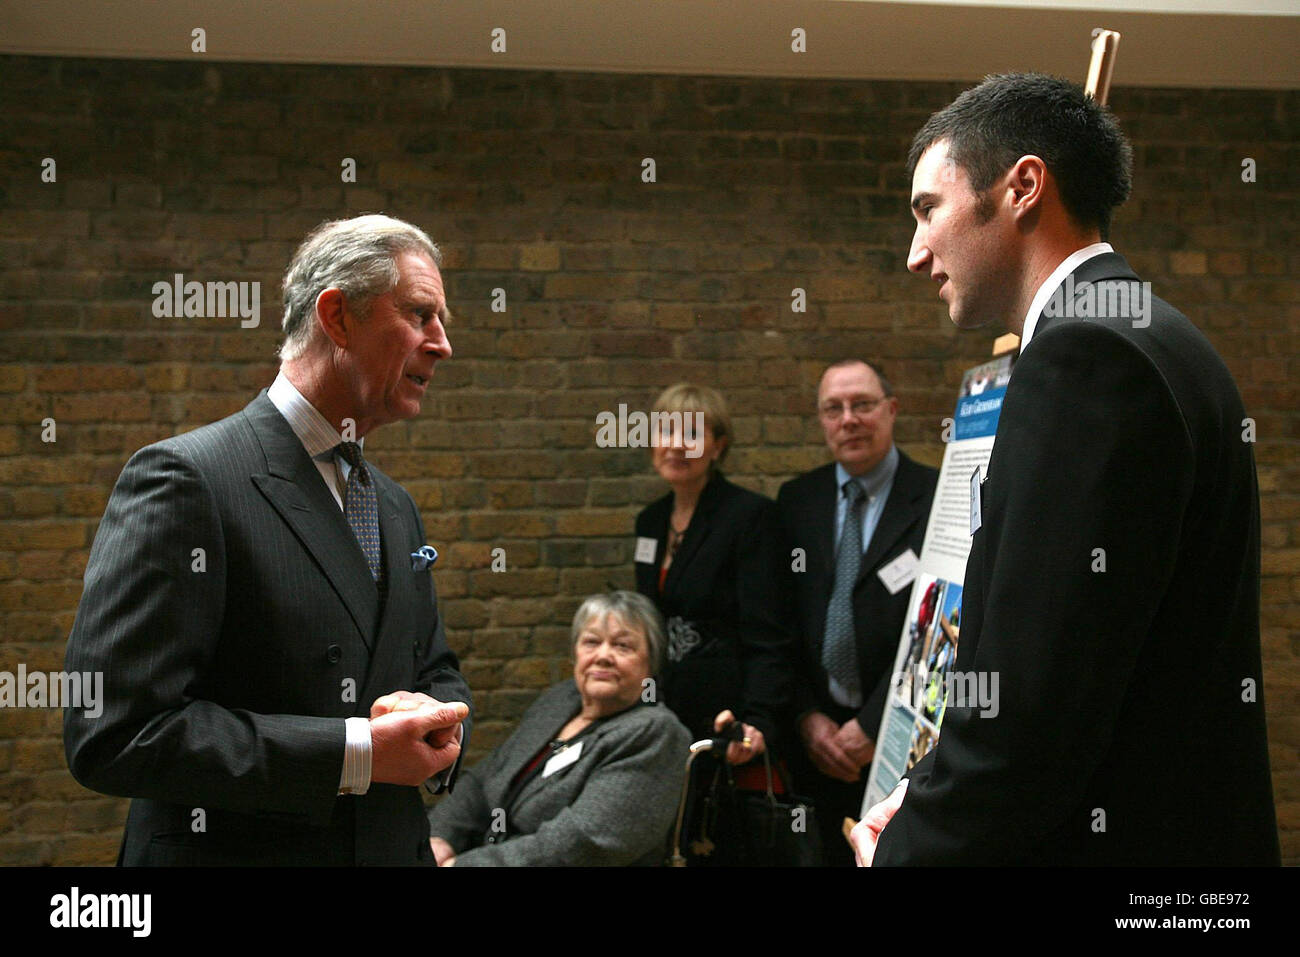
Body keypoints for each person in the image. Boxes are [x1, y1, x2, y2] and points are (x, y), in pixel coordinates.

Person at [854, 72, 1279, 865]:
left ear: (1021, 187)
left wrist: (906, 849)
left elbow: (1033, 712)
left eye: (927, 209)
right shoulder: (1146, 328)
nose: (915, 254)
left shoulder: (1087, 354)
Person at [63, 214, 473, 866]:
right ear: (337, 318)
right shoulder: (186, 480)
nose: (443, 343)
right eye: (421, 314)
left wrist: (440, 718)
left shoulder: (395, 508)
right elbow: (115, 732)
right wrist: (357, 752)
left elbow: (438, 670)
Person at [776, 360, 938, 865]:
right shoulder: (796, 501)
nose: (848, 419)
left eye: (862, 405)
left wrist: (873, 727)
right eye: (834, 409)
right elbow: (780, 624)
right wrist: (806, 718)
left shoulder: (937, 498)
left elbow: (940, 624)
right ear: (822, 421)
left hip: (902, 743)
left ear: (891, 410)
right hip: (815, 746)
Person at [633, 383, 796, 864]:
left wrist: (758, 717)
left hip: (726, 718)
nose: (677, 444)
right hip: (664, 715)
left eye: (693, 432)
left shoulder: (750, 518)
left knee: (717, 846)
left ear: (718, 445)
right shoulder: (650, 520)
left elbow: (772, 633)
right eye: (665, 431)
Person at [426, 591, 690, 866]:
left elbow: (585, 842)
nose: (603, 656)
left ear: (652, 662)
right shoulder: (560, 701)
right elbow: (482, 780)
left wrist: (467, 865)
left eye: (623, 646)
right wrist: (440, 837)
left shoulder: (656, 732)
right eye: (591, 642)